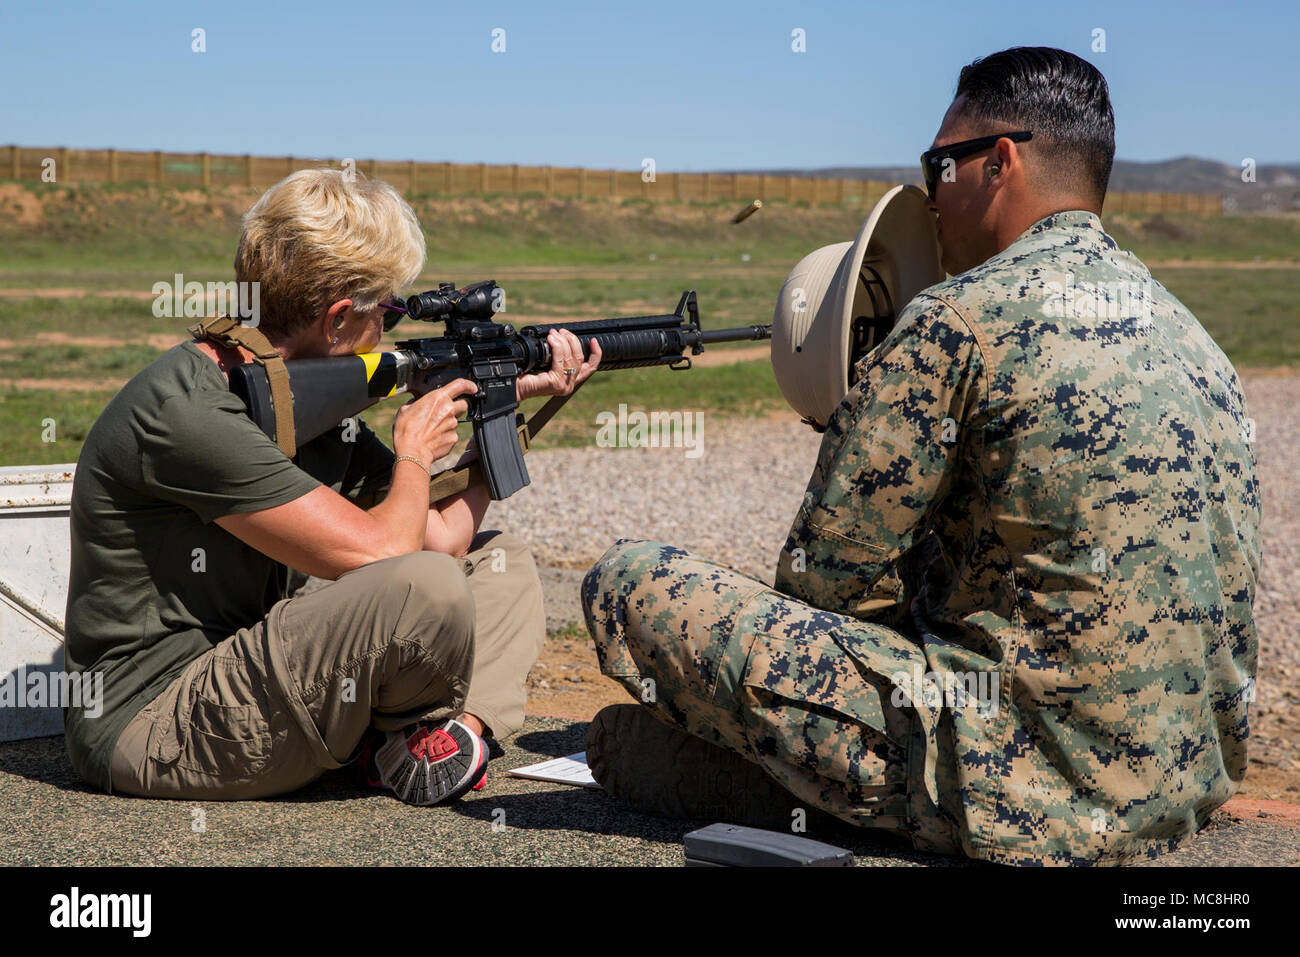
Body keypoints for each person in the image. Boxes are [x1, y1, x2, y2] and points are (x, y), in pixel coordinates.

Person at [581, 47, 1261, 865]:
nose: (933, 192)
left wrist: (850, 431)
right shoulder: (1198, 340)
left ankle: (726, 779)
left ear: (1000, 160)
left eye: (941, 164)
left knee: (629, 582)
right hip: (1181, 786)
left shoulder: (956, 319)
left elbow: (826, 594)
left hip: (1028, 789)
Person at [63, 168, 601, 806]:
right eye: (391, 311)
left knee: (498, 560)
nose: (392, 330)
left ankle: (451, 740)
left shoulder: (299, 405)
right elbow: (391, 560)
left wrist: (499, 411)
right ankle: (399, 739)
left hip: (250, 673)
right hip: (155, 722)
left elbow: (443, 538)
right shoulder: (189, 411)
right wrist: (411, 454)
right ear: (340, 319)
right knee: (422, 585)